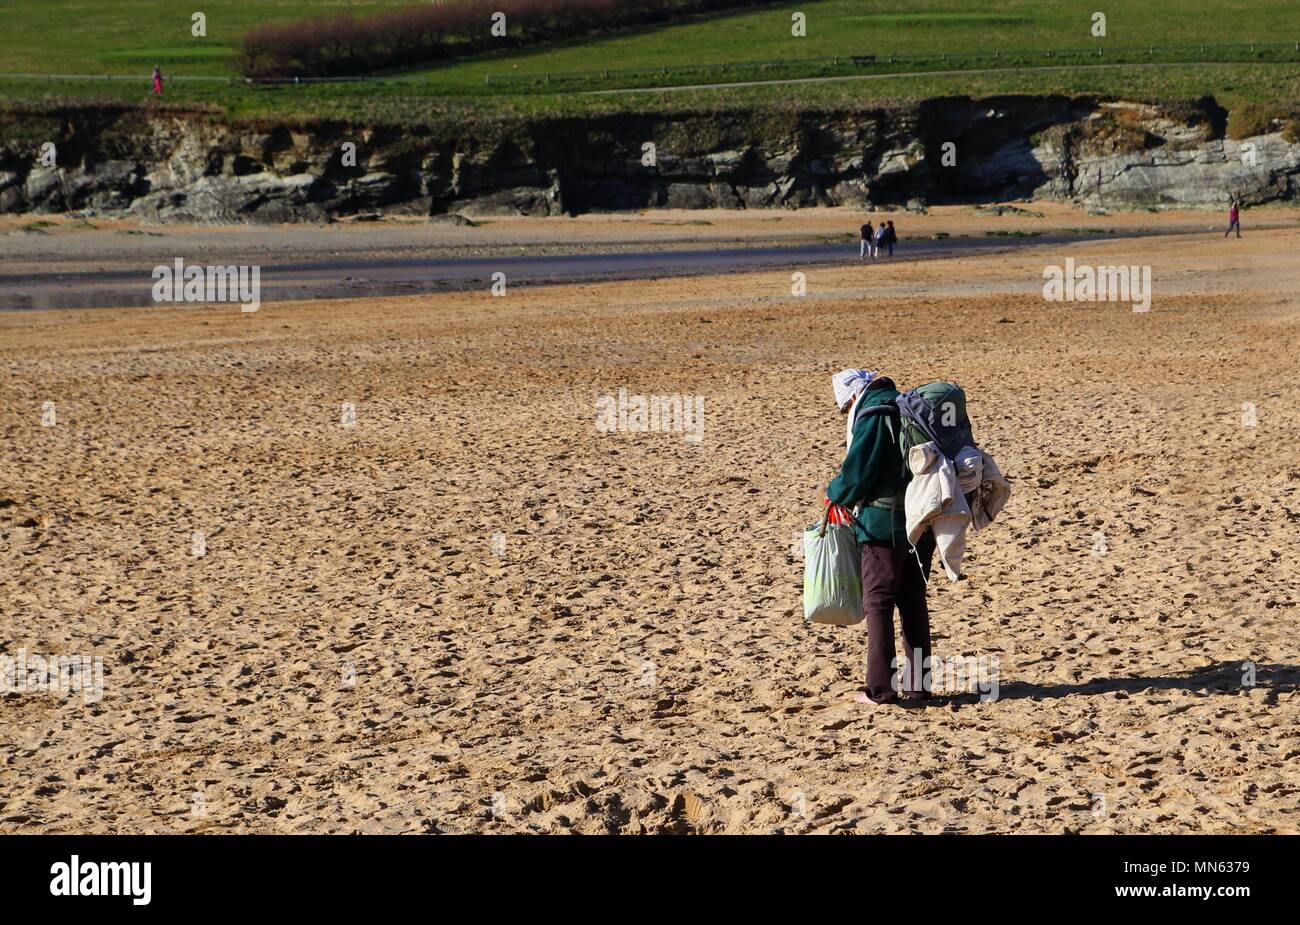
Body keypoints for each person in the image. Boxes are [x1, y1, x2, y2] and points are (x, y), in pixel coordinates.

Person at [826, 368, 935, 706]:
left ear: (853, 397)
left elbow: (859, 471)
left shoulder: (874, 412)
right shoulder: (905, 405)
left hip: (882, 523)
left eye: (845, 408)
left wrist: (833, 493)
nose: (847, 414)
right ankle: (918, 686)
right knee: (913, 600)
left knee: (878, 602)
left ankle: (880, 690)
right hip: (923, 519)